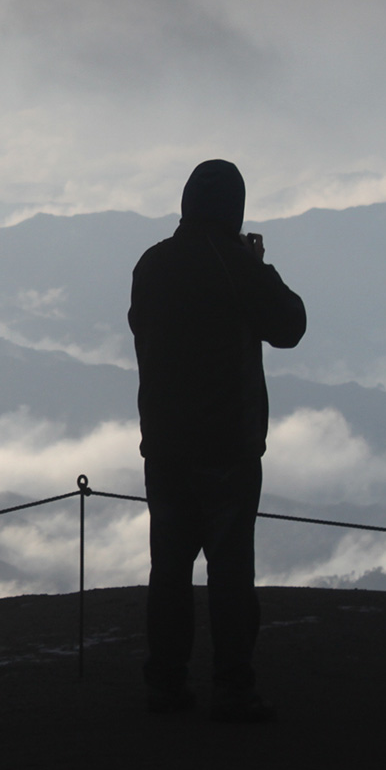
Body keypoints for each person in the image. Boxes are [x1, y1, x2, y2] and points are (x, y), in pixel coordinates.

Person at [127, 160, 306, 723]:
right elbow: (290, 327)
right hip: (228, 445)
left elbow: (140, 326)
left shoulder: (151, 264)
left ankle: (166, 686)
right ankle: (232, 688)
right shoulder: (236, 265)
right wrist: (257, 265)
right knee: (230, 574)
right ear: (235, 208)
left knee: (170, 571)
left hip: (164, 444)